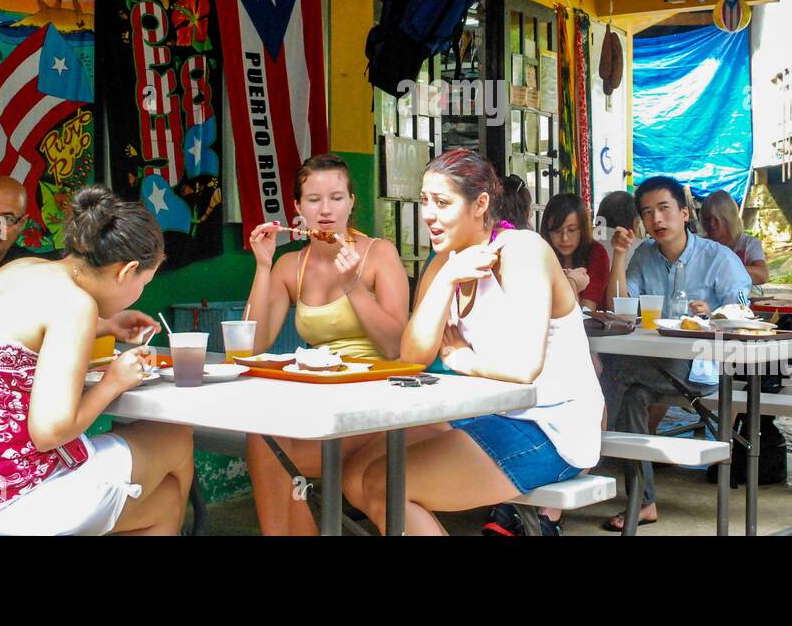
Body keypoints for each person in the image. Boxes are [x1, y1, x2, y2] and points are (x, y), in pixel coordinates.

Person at [340, 148, 603, 535]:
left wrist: (464, 359)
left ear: (480, 204)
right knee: (354, 476)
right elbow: (411, 355)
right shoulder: (445, 261)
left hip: (551, 426)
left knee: (386, 485)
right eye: (424, 200)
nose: (428, 214)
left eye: (442, 203)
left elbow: (524, 367)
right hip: (492, 416)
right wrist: (447, 279)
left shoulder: (523, 251)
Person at [0, 186, 193, 535]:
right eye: (145, 282)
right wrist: (114, 383)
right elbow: (50, 431)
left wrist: (105, 327)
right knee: (176, 437)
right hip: (2, 501)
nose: (140, 292)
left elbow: (17, 337)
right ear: (127, 271)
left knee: (165, 500)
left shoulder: (22, 269)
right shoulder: (75, 304)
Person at [244, 154, 410, 536]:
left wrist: (353, 285)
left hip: (377, 397)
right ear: (297, 208)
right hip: (323, 393)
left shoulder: (378, 253)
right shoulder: (291, 265)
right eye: (314, 200)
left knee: (274, 452)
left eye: (336, 197)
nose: (325, 210)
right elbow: (251, 343)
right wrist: (263, 266)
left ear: (352, 201)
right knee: (263, 437)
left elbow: (393, 345)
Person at [601, 175, 752, 531]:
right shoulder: (644, 256)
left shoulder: (719, 258)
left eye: (665, 209)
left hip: (705, 369)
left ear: (685, 213)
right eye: (648, 212)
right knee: (633, 394)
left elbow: (744, 314)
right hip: (655, 368)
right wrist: (619, 256)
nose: (657, 220)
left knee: (616, 374)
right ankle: (644, 502)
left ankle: (590, 440)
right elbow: (620, 310)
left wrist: (713, 315)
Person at [541, 193, 610, 312]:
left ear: (583, 229)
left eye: (571, 230)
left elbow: (585, 312)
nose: (565, 238)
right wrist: (572, 282)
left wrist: (571, 281)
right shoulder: (541, 255)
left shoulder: (596, 254)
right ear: (547, 231)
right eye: (557, 231)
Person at [700, 190, 769, 286]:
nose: (711, 224)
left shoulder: (748, 243)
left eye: (716, 219)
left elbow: (763, 276)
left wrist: (725, 266)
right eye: (707, 219)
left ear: (728, 219)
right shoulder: (700, 245)